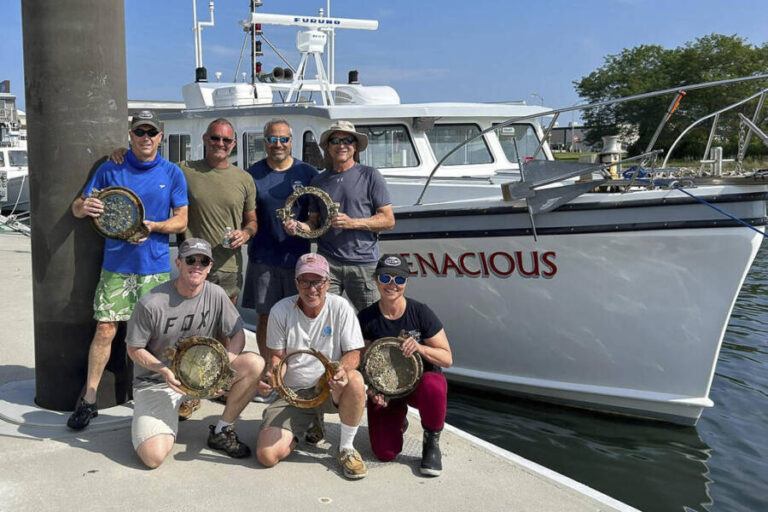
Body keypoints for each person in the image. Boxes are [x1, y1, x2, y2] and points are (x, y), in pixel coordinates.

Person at [112, 117, 257, 420]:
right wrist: (121, 152)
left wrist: (245, 233)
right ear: (205, 139)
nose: (220, 144)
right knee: (188, 328)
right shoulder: (183, 170)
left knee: (223, 331)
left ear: (233, 144)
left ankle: (214, 382)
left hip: (228, 266)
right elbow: (149, 161)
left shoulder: (244, 178)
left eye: (226, 140)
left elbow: (252, 220)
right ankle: (187, 385)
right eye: (215, 138)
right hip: (193, 262)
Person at [67, 110, 189, 431]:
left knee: (158, 336)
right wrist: (84, 207)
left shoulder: (172, 172)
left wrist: (156, 226)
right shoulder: (111, 168)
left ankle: (163, 392)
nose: (145, 138)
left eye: (151, 132)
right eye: (140, 132)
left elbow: (182, 220)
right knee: (106, 330)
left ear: (160, 137)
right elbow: (78, 207)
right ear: (131, 136)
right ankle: (89, 399)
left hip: (154, 268)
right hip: (117, 267)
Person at [126, 238, 265, 468]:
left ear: (210, 267)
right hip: (159, 381)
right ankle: (158, 416)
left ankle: (222, 430)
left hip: (203, 375)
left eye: (204, 261)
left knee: (254, 364)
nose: (197, 266)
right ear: (178, 262)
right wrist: (163, 370)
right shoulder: (151, 303)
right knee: (152, 457)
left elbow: (238, 333)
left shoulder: (216, 294)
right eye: (191, 260)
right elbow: (134, 349)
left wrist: (224, 364)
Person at [255, 253, 369, 480]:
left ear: (327, 282)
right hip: (294, 393)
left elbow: (354, 353)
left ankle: (346, 448)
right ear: (296, 283)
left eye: (317, 281)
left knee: (356, 380)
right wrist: (273, 376)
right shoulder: (280, 310)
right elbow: (277, 357)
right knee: (267, 455)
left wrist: (341, 369)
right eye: (304, 281)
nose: (311, 289)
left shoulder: (341, 307)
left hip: (329, 387)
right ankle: (307, 423)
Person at [357, 254, 453, 477]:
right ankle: (399, 421)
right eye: (385, 278)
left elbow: (447, 358)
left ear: (406, 282)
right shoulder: (366, 318)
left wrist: (420, 348)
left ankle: (431, 442)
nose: (392, 284)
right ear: (376, 279)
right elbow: (360, 362)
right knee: (384, 453)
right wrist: (371, 391)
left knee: (434, 385)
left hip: (419, 386)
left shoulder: (420, 312)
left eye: (399, 279)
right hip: (387, 391)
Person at [285, 120, 395, 313]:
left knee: (371, 320)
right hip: (328, 263)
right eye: (335, 141)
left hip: (363, 264)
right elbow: (314, 223)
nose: (341, 145)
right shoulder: (318, 181)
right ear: (328, 147)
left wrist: (353, 223)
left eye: (347, 140)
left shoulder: (370, 175)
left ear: (355, 146)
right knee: (324, 316)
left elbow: (388, 220)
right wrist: (297, 227)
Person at [243, 118, 318, 368]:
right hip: (263, 259)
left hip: (298, 260)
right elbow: (246, 216)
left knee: (299, 316)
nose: (278, 144)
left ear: (291, 141)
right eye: (272, 139)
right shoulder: (252, 174)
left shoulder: (307, 173)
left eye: (283, 139)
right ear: (265, 142)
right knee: (266, 317)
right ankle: (269, 371)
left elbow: (315, 219)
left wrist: (301, 227)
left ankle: (295, 370)